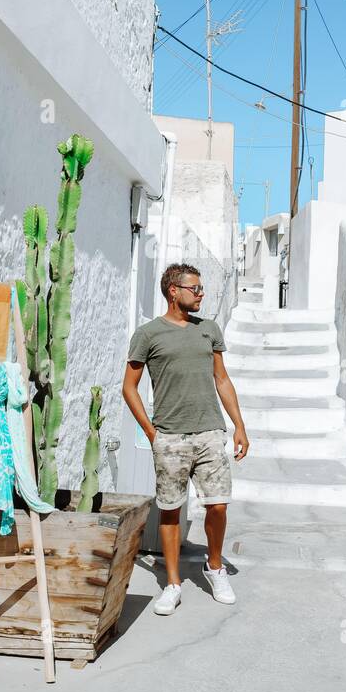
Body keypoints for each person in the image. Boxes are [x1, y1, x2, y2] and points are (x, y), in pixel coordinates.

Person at [122, 263, 250, 615]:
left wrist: (238, 425)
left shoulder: (208, 329)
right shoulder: (148, 334)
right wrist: (152, 432)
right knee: (169, 510)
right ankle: (173, 583)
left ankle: (214, 566)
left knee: (218, 505)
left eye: (201, 288)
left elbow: (222, 379)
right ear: (173, 291)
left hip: (210, 432)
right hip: (170, 435)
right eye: (195, 288)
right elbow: (129, 387)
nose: (201, 294)